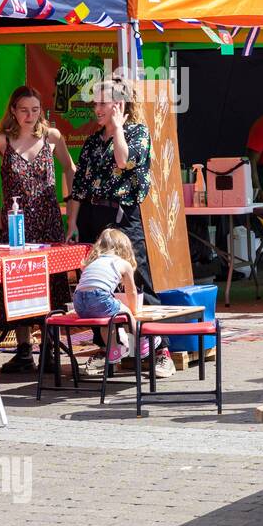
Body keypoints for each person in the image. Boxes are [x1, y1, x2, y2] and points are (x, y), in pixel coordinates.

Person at [65, 77, 173, 378]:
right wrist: (72, 222)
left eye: (102, 103)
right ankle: (108, 348)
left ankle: (161, 349)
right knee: (98, 283)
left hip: (123, 216)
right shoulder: (91, 142)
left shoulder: (137, 133)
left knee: (138, 281)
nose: (96, 108)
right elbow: (79, 187)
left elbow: (124, 160)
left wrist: (118, 128)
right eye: (95, 103)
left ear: (119, 104)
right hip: (92, 216)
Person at [0, 86, 76, 373]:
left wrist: (71, 210)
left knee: (49, 284)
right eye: (23, 110)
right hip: (16, 224)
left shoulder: (52, 137)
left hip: (48, 222)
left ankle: (49, 348)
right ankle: (23, 350)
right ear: (13, 111)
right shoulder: (2, 140)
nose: (29, 115)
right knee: (16, 284)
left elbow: (70, 169)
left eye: (34, 109)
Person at [71, 228, 139, 372]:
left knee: (106, 322)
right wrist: (133, 310)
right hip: (99, 297)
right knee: (126, 312)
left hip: (78, 303)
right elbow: (131, 292)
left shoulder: (93, 262)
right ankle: (140, 342)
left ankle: (112, 351)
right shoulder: (123, 263)